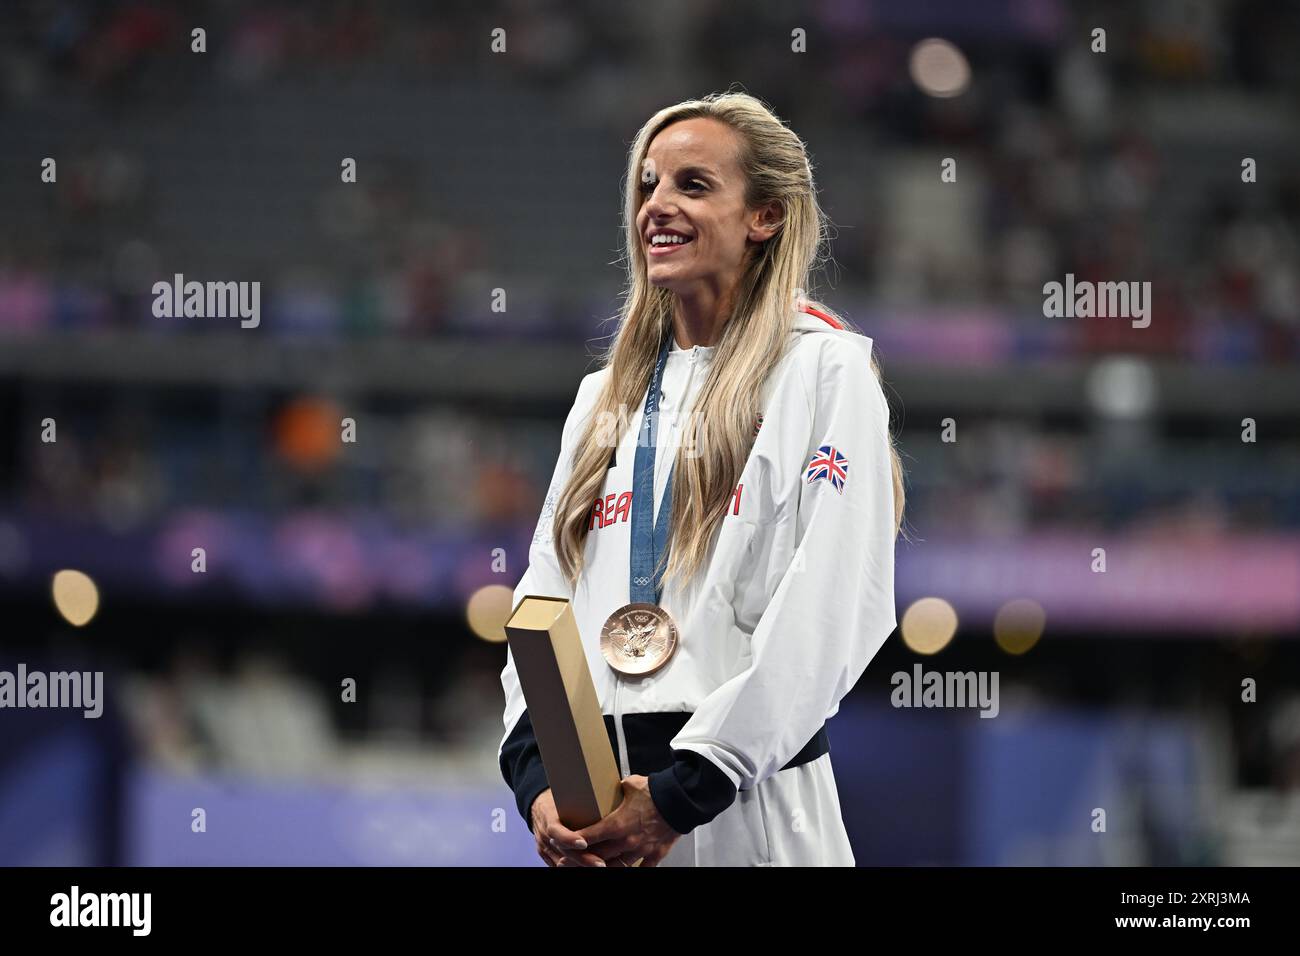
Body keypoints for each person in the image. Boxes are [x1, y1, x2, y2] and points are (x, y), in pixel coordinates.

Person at [498, 90, 905, 866]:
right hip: (602, 819)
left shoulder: (822, 370)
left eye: (692, 185)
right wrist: (539, 779)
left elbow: (833, 605)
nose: (657, 204)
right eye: (647, 183)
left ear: (767, 216)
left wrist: (689, 790)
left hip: (748, 807)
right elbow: (542, 601)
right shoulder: (602, 399)